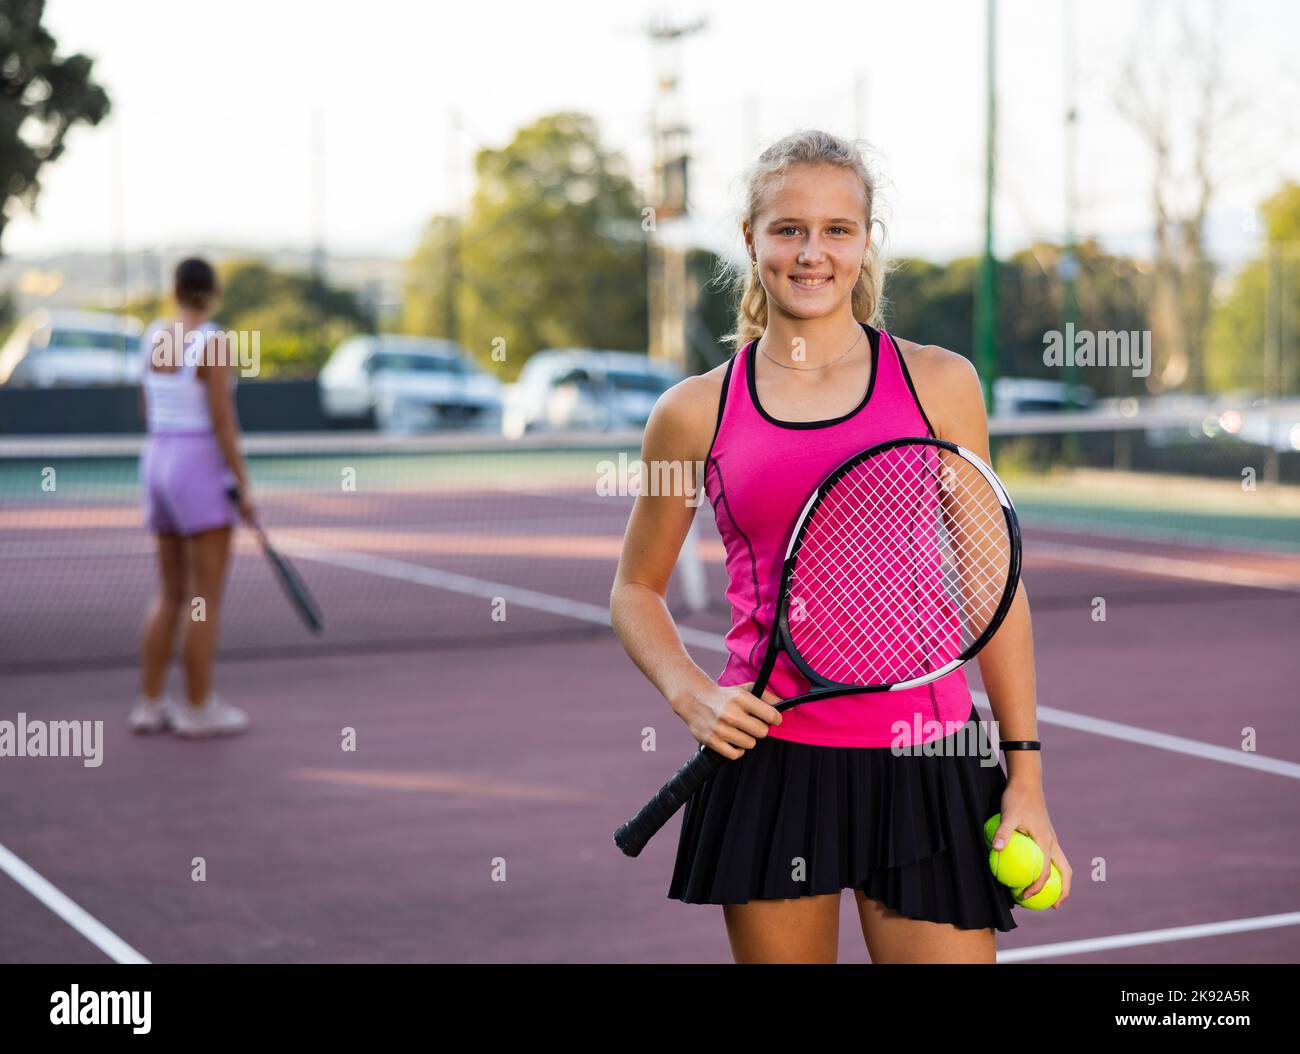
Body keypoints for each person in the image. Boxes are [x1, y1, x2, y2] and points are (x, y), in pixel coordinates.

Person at [610, 130, 1071, 963]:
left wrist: (1027, 777)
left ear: (866, 242)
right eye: (787, 229)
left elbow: (992, 589)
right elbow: (634, 589)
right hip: (769, 760)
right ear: (750, 240)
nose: (811, 252)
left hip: (929, 758)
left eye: (837, 229)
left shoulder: (939, 383)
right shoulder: (692, 413)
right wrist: (691, 694)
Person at [127, 257, 253, 737]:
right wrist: (242, 485)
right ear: (213, 292)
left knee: (171, 593)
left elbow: (146, 404)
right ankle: (199, 709)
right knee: (205, 598)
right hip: (196, 464)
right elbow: (223, 421)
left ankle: (150, 703)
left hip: (157, 460)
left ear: (175, 290)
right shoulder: (213, 340)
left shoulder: (154, 335)